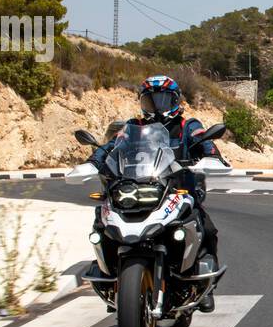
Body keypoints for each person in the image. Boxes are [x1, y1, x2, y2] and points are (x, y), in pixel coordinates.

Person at [91, 75, 223, 311]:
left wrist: (211, 155)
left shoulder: (187, 125)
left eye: (162, 99)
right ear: (143, 102)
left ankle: (206, 285)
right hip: (138, 187)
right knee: (101, 221)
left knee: (207, 228)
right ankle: (110, 275)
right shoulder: (133, 126)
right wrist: (94, 161)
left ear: (175, 100)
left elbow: (203, 140)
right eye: (151, 100)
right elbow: (113, 146)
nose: (157, 106)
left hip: (177, 190)